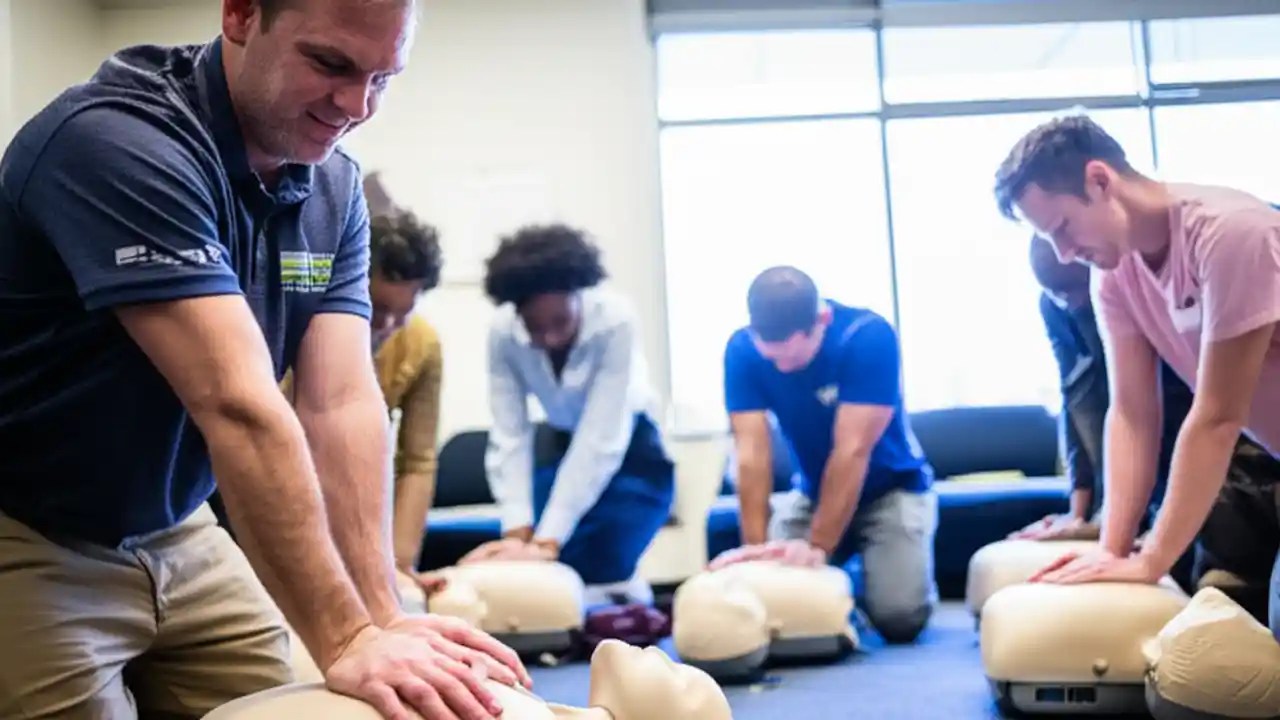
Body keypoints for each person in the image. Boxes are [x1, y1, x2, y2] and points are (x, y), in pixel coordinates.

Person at [0, 1, 530, 718]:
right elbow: (240, 403)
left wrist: (383, 612)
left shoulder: (336, 188)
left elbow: (339, 402)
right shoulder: (113, 144)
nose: (357, 106)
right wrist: (346, 637)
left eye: (383, 77)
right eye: (332, 64)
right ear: (242, 13)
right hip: (32, 530)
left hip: (179, 527)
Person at [993, 113, 1280, 640]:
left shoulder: (1231, 231)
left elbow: (1218, 416)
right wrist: (1112, 552)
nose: (1064, 255)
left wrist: (1150, 560)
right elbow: (1130, 413)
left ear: (1100, 181)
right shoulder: (1113, 275)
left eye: (1062, 229)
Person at [709, 266, 938, 644]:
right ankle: (843, 586)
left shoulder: (867, 337)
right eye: (773, 360)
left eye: (793, 359)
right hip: (814, 492)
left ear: (822, 320)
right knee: (768, 598)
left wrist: (817, 549)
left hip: (892, 490)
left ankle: (867, 584)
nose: (783, 369)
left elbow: (852, 451)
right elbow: (750, 454)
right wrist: (756, 551)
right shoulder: (743, 351)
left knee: (899, 618)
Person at [464, 224, 675, 607]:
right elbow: (510, 433)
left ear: (579, 296)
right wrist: (517, 533)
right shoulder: (502, 334)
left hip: (633, 449)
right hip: (562, 441)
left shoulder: (615, 321)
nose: (548, 338)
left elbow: (601, 437)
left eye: (560, 322)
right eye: (535, 327)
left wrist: (546, 542)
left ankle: (626, 600)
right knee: (532, 557)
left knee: (589, 554)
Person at [1012, 235, 1194, 542]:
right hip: (1115, 426)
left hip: (1174, 416)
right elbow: (1076, 397)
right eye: (1056, 294)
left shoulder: (1131, 287)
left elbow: (1149, 410)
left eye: (1074, 290)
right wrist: (1079, 513)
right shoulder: (1056, 308)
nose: (1069, 302)